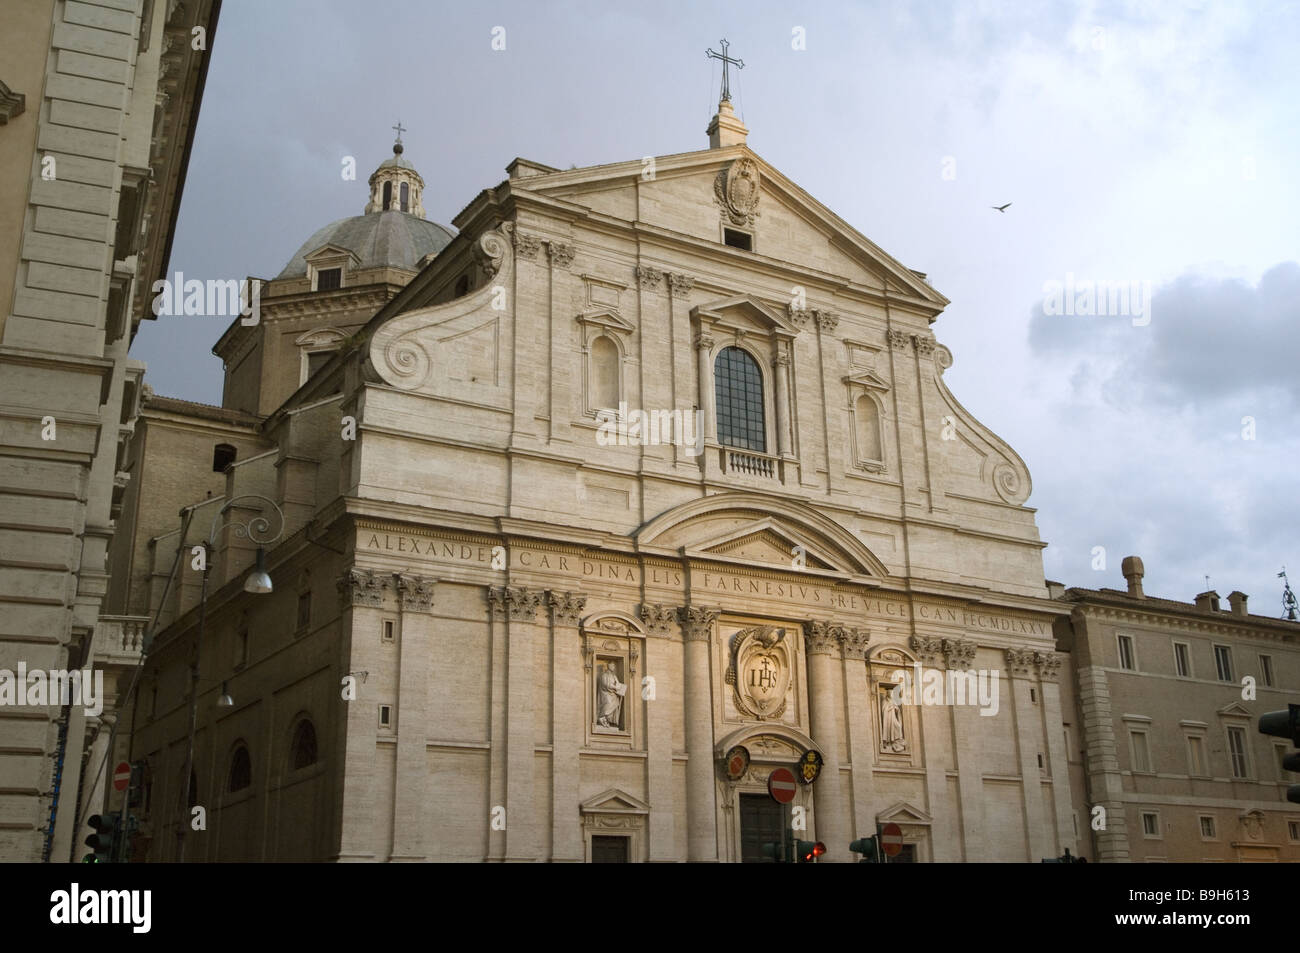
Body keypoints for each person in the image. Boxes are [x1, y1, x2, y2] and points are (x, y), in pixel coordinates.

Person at [597, 661, 626, 728]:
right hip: (606, 694)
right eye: (612, 666)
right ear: (609, 666)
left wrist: (620, 688)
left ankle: (609, 721)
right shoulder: (604, 675)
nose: (614, 667)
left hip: (614, 695)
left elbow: (618, 684)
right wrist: (615, 687)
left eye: (614, 666)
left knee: (615, 705)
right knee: (608, 704)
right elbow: (605, 684)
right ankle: (602, 718)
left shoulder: (614, 676)